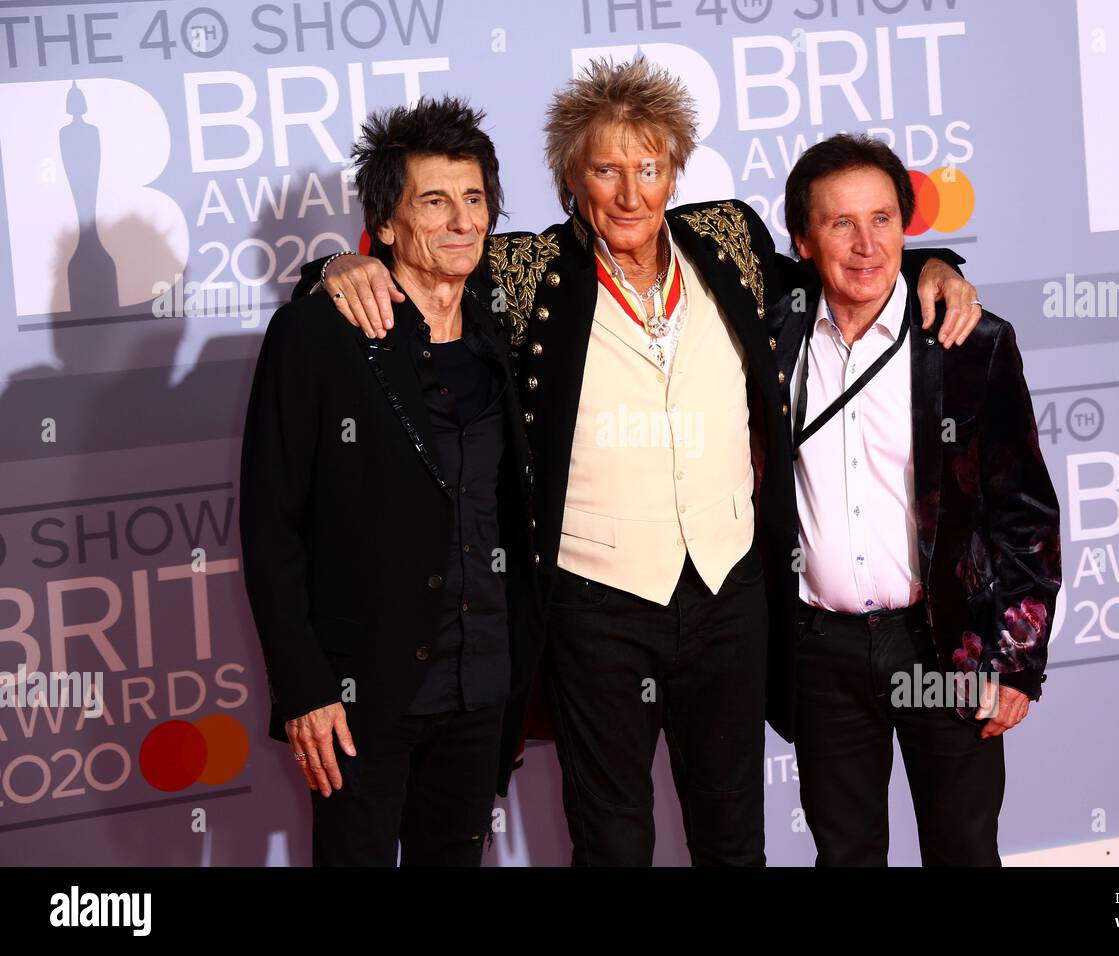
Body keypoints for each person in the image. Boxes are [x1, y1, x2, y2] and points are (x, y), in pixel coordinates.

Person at [298, 57, 980, 866]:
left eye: (649, 168)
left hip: (731, 592)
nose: (630, 193)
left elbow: (845, 266)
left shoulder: (729, 238)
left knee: (733, 833)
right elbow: (421, 268)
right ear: (571, 179)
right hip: (597, 602)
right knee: (614, 836)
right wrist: (334, 267)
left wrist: (932, 264)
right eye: (607, 170)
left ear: (674, 170)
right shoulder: (524, 272)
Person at [240, 95, 540, 866]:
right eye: (434, 201)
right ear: (390, 221)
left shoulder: (499, 325)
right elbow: (271, 528)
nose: (462, 220)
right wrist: (304, 688)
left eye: (474, 199)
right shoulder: (320, 335)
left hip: (482, 684)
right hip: (361, 693)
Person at [767, 134, 1062, 865]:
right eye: (840, 224)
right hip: (821, 653)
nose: (866, 244)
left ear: (907, 226)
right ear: (803, 240)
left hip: (944, 647)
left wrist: (1019, 662)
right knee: (846, 855)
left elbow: (1024, 514)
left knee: (962, 849)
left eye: (884, 219)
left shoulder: (969, 342)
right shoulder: (772, 333)